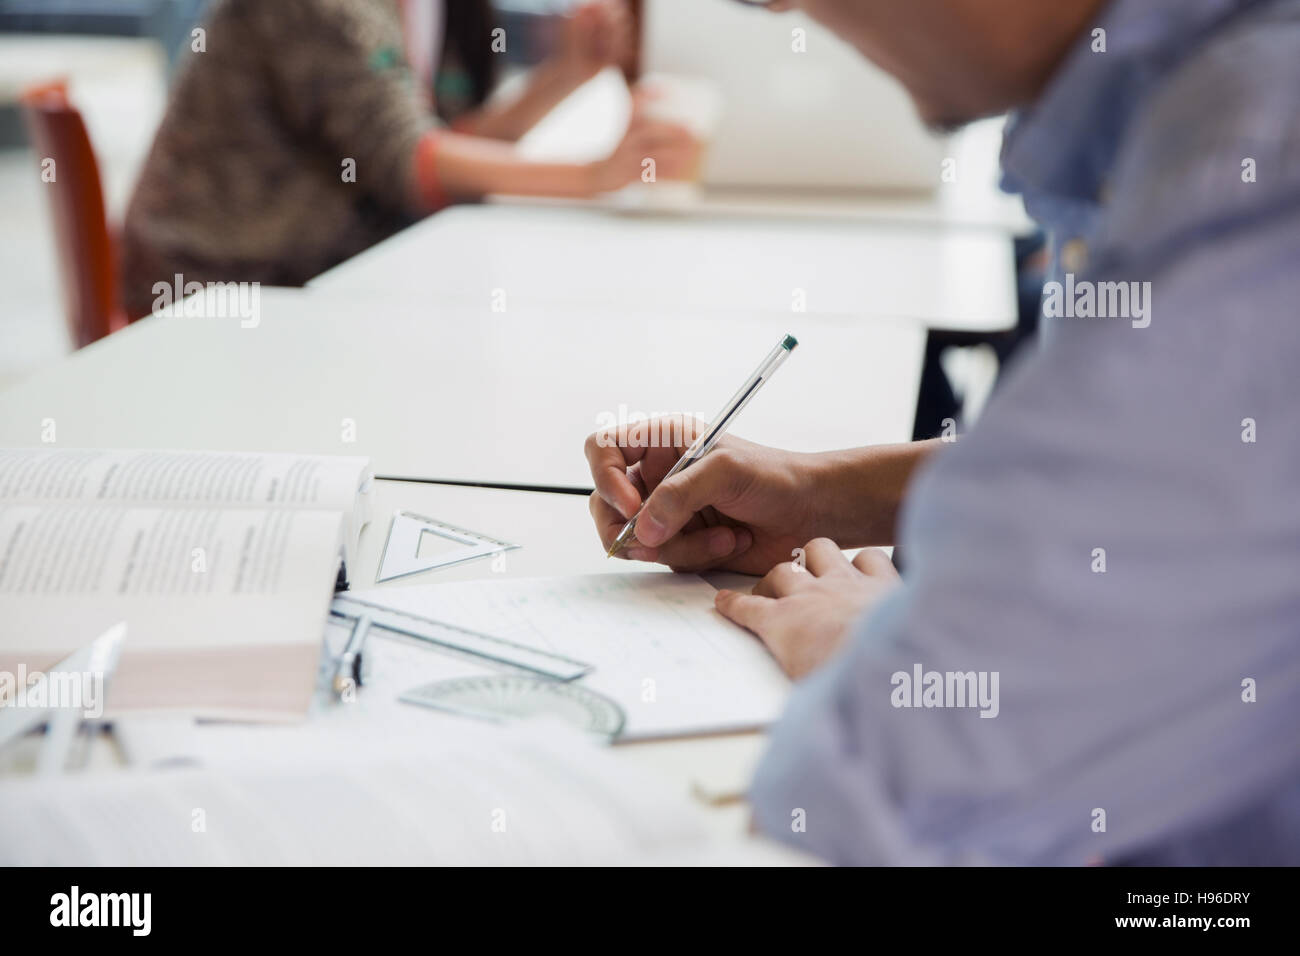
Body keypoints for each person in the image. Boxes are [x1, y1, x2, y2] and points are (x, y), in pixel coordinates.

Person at [585, 0, 1300, 864]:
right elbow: (1203, 470)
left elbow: (885, 800)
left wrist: (877, 651)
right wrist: (825, 496)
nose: (779, 10)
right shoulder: (1179, 98)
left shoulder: (1259, 145)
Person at [119, 0, 697, 318]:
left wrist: (566, 74)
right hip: (221, 287)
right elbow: (412, 163)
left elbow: (439, 136)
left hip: (311, 280)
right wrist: (596, 175)